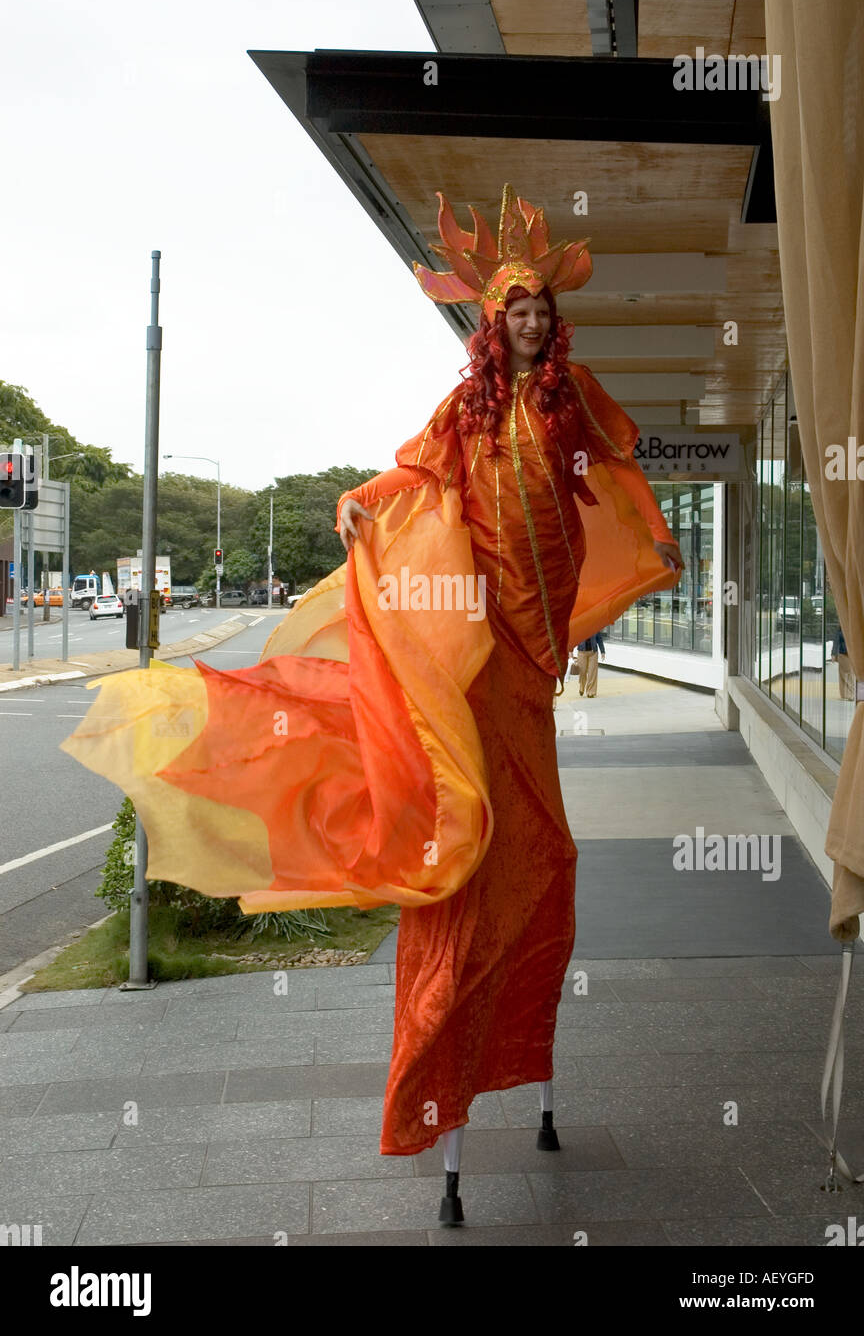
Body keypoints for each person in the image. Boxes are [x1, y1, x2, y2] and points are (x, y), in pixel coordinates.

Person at [61, 184, 683, 1227]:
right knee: (471, 850)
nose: (531, 322)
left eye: (541, 309)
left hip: (538, 650)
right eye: (516, 310)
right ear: (495, 323)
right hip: (481, 648)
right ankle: (443, 1062)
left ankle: (523, 1056)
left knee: (549, 859)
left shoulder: (570, 399)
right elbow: (411, 475)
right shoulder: (470, 411)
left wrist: (645, 537)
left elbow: (610, 471)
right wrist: (363, 502)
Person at [575, 631, 606, 697]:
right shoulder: (580, 626)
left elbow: (599, 639)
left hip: (593, 652)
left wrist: (602, 651)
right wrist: (570, 651)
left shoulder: (595, 626)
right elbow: (573, 638)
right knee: (582, 672)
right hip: (581, 652)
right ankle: (582, 686)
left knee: (592, 672)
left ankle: (591, 692)